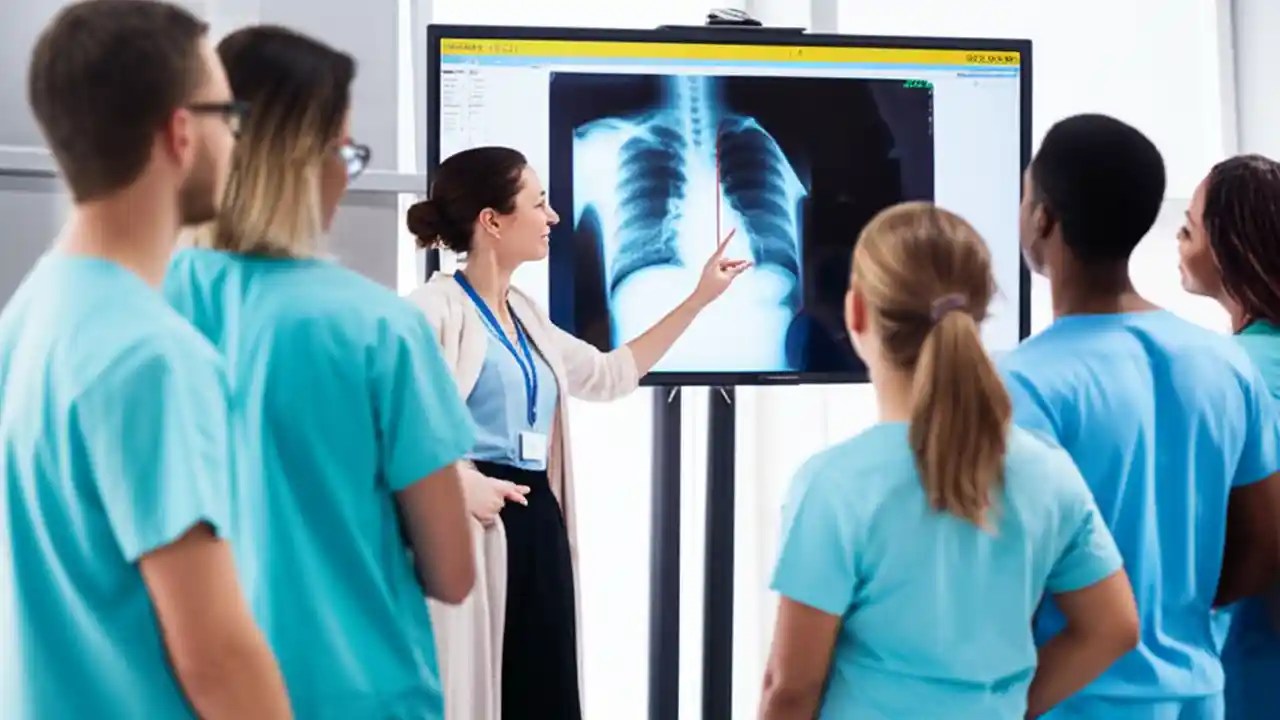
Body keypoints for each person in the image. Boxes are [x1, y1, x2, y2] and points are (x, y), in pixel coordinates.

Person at [162, 25, 477, 719]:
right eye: (345, 150)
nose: (346, 171)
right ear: (302, 159)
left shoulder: (136, 311)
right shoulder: (378, 329)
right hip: (354, 695)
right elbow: (453, 573)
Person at [0, 2, 291, 718]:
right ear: (181, 133)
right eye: (230, 114)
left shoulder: (32, 313)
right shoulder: (152, 355)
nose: (236, 138)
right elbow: (217, 659)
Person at [403, 145, 749, 720]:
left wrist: (699, 299)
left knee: (546, 689)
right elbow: (391, 420)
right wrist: (459, 481)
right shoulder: (432, 309)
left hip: (537, 518)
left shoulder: (526, 315)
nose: (554, 218)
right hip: (476, 517)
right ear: (492, 221)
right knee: (481, 693)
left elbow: (612, 374)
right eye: (539, 204)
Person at [757, 201, 1138, 720]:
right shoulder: (1047, 471)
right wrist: (1010, 706)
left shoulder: (836, 485)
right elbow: (1113, 627)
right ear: (978, 313)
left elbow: (790, 687)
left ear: (856, 312)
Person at [1001, 114, 1280, 719]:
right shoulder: (1225, 365)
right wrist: (1172, 608)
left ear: (1042, 219)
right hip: (1196, 696)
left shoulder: (1019, 383)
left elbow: (1000, 581)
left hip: (1073, 702)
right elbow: (1262, 546)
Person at [1177, 153, 1280, 720]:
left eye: (1189, 226)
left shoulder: (1223, 377)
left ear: (1231, 249)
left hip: (1248, 678)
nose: (1178, 236)